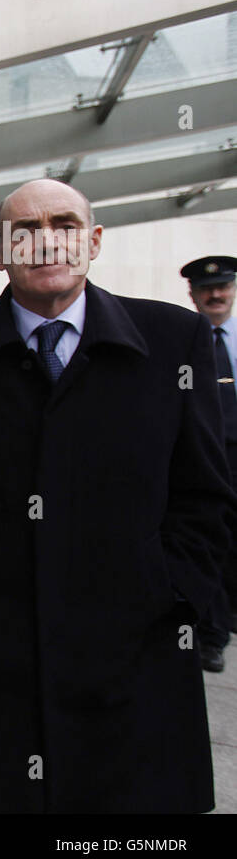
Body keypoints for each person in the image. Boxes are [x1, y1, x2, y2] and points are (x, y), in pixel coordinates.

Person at [0, 178, 233, 813]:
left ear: (95, 241)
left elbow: (205, 492)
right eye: (24, 230)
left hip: (137, 649)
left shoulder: (173, 340)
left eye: (63, 223)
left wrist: (174, 591)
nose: (45, 240)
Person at [181, 254, 237, 672]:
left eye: (222, 287)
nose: (215, 294)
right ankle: (212, 635)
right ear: (193, 294)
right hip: (206, 455)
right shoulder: (181, 340)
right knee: (210, 537)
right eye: (206, 289)